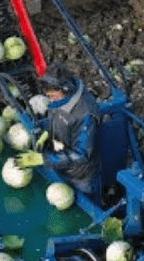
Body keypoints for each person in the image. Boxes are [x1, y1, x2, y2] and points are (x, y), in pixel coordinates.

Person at [38, 63, 100, 195]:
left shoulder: (85, 113)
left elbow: (81, 154)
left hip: (80, 175)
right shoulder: (60, 99)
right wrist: (47, 133)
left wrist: (45, 159)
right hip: (60, 163)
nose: (50, 98)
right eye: (48, 95)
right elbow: (56, 119)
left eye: (53, 95)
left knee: (85, 207)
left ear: (67, 89)